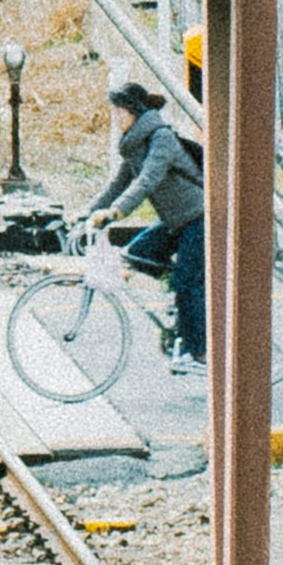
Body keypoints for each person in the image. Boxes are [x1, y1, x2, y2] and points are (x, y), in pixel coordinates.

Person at [92, 75, 207, 368]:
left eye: (120, 112)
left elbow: (147, 180)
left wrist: (116, 213)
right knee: (136, 254)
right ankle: (188, 302)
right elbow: (117, 185)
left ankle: (200, 354)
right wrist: (86, 214)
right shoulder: (134, 145)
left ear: (134, 112)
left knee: (187, 281)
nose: (116, 118)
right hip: (175, 221)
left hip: (199, 217)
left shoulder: (161, 137)